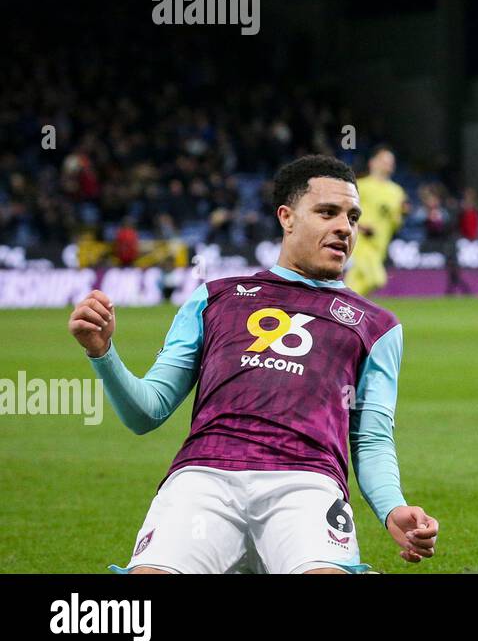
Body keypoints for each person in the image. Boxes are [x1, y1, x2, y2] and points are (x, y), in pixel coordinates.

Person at [68, 155, 437, 573]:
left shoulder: (377, 326)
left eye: (352, 217)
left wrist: (393, 508)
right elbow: (146, 411)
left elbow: (370, 440)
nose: (344, 228)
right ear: (287, 217)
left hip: (306, 482)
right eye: (327, 212)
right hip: (203, 477)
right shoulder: (215, 298)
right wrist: (102, 353)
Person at [345, 146, 408, 297]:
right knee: (377, 279)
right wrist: (360, 226)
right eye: (385, 161)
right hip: (361, 241)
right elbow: (346, 211)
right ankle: (345, 302)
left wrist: (401, 214)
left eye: (391, 162)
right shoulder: (361, 186)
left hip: (380, 245)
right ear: (373, 162)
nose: (389, 164)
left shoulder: (397, 191)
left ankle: (342, 304)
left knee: (359, 279)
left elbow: (396, 223)